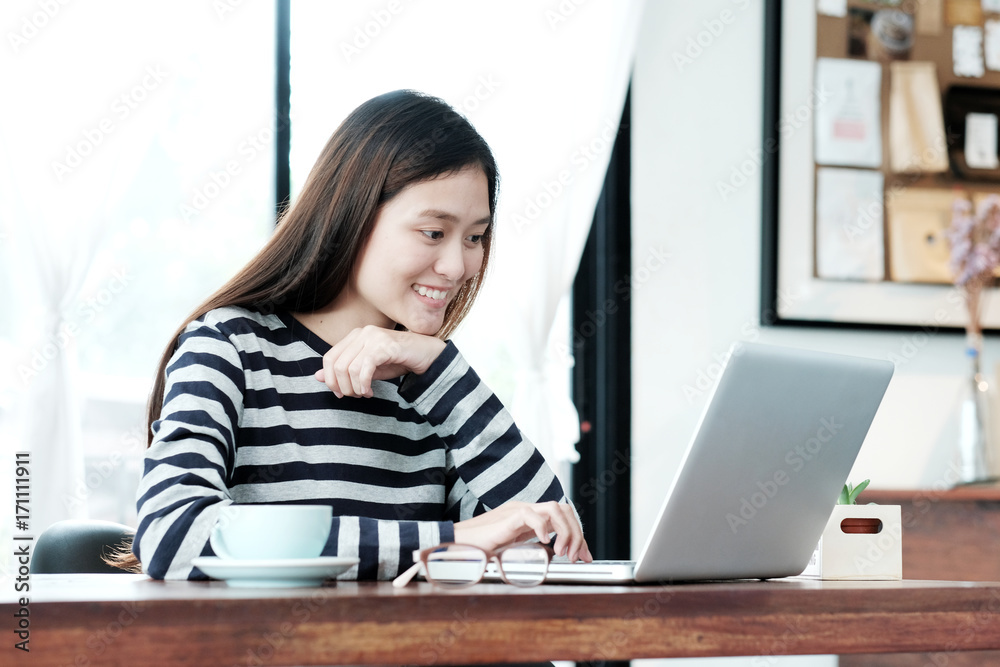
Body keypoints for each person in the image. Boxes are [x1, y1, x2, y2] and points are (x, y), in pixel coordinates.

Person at [118, 89, 593, 581]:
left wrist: (440, 371)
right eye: (433, 232)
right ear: (353, 215)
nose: (457, 266)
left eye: (474, 237)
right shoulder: (228, 348)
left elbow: (554, 545)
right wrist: (446, 542)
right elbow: (172, 534)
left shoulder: (434, 389)